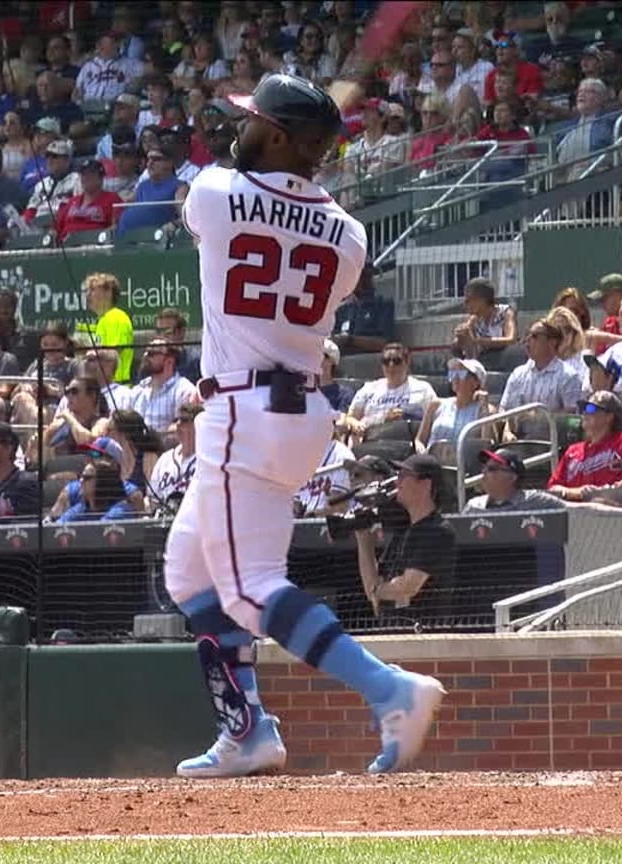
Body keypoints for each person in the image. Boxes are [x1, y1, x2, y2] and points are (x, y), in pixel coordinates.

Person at [166, 74, 444, 780]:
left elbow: (223, 200)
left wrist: (291, 151)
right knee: (188, 570)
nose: (243, 128)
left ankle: (389, 689)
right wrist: (302, 149)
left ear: (283, 136)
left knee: (248, 589)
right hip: (300, 413)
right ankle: (248, 729)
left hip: (242, 414)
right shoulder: (349, 234)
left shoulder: (215, 193)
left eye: (258, 121)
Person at [353, 452, 458, 627]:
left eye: (404, 476)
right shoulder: (402, 533)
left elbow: (407, 588)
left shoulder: (437, 530)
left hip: (424, 636)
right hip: (390, 631)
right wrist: (364, 541)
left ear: (425, 484)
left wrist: (378, 590)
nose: (397, 482)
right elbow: (371, 592)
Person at [548, 391, 622, 502]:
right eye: (583, 408)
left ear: (609, 417)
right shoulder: (572, 451)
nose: (585, 413)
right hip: (576, 513)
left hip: (614, 514)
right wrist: (576, 493)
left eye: (590, 409)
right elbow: (553, 488)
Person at [499, 318, 582, 414]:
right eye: (527, 335)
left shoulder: (568, 376)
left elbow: (572, 414)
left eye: (535, 336)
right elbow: (504, 409)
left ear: (552, 342)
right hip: (517, 429)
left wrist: (540, 420)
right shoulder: (517, 374)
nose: (527, 340)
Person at [417, 357, 495, 457]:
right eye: (453, 374)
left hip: (463, 464)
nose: (455, 378)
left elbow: (487, 446)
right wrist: (421, 450)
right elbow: (419, 440)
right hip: (431, 461)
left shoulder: (486, 410)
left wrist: (484, 407)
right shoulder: (435, 405)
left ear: (476, 382)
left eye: (461, 374)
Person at [76, 272, 135, 385]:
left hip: (116, 387)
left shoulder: (115, 317)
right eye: (87, 291)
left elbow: (112, 354)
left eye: (93, 289)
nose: (88, 294)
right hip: (103, 386)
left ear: (108, 292)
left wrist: (86, 351)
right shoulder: (103, 320)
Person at [463, 447, 565, 513]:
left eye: (492, 469)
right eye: (484, 467)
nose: (484, 472)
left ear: (513, 477)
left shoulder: (537, 501)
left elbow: (573, 511)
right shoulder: (473, 507)